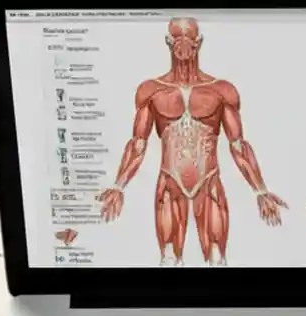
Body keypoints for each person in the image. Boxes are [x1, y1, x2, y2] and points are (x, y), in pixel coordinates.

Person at [98, 18, 286, 266]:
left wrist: (260, 189)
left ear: (199, 42)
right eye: (178, 37)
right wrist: (119, 185)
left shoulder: (220, 90)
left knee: (218, 260)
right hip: (169, 181)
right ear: (168, 41)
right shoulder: (152, 90)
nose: (184, 44)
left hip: (209, 183)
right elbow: (138, 144)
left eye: (189, 38)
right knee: (168, 259)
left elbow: (238, 144)